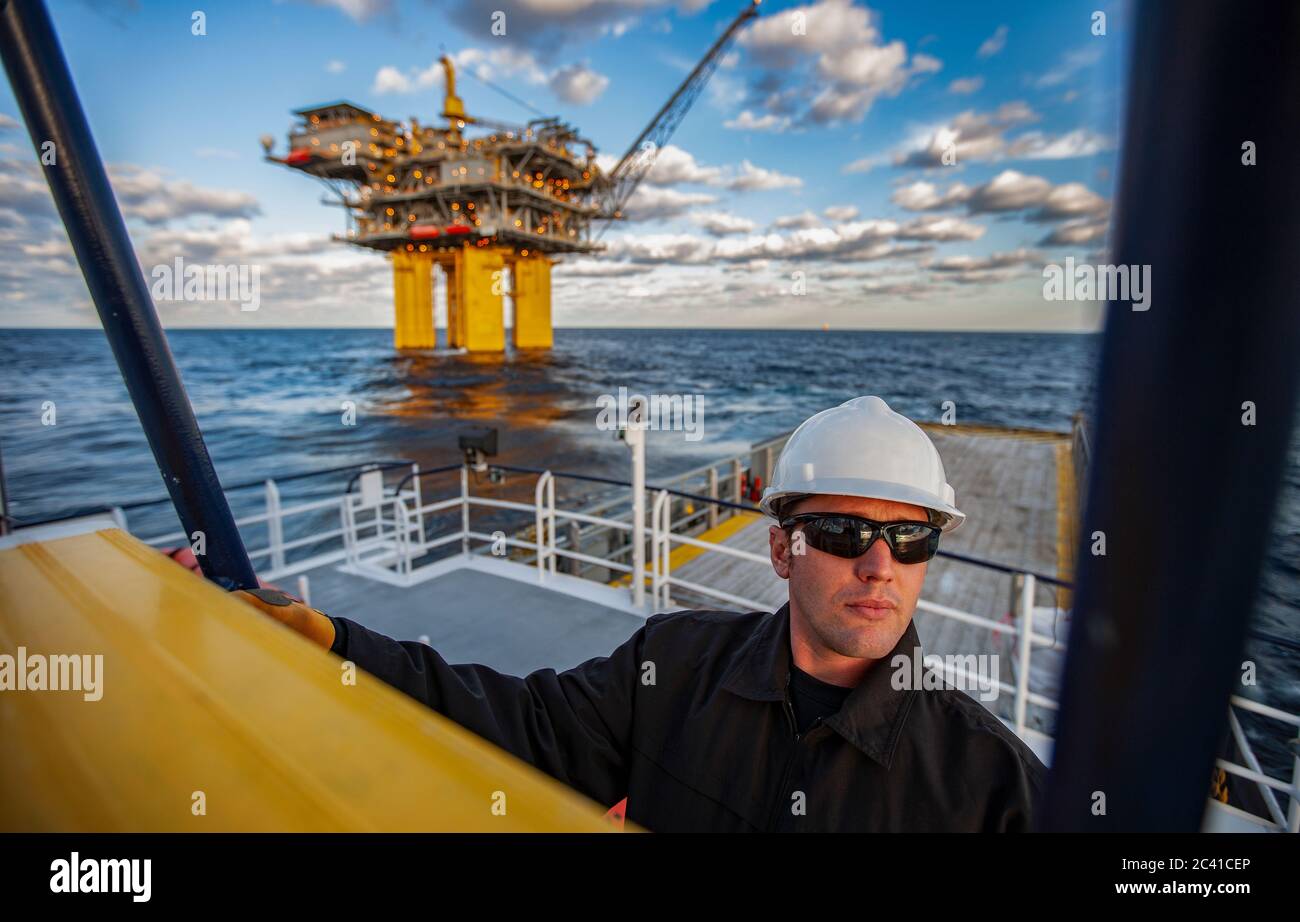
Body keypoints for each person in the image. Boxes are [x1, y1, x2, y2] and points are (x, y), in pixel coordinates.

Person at [237, 396, 1046, 831]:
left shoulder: (994, 787)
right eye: (843, 532)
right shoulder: (674, 666)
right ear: (780, 549)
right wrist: (337, 642)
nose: (880, 564)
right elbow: (519, 723)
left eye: (909, 539)